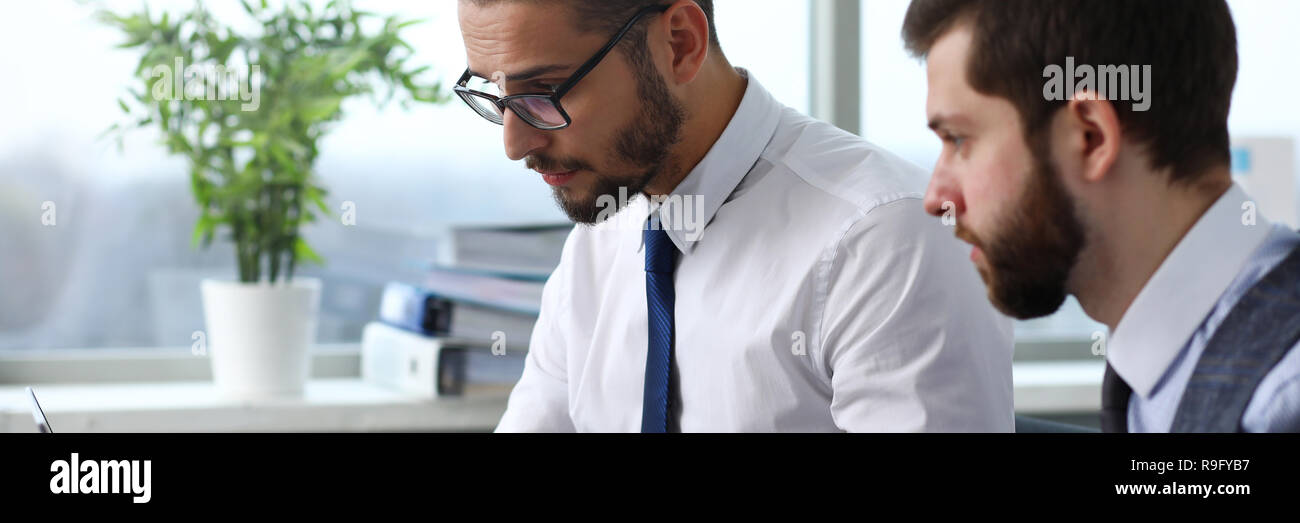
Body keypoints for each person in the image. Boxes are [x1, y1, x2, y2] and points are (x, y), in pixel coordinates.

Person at [458, 0, 1013, 432]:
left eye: (544, 92)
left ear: (679, 43)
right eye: (495, 95)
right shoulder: (602, 233)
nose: (514, 143)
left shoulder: (886, 239)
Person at [903, 0, 1300, 432]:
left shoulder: (1279, 402)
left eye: (959, 140)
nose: (936, 197)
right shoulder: (1163, 368)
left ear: (1090, 138)